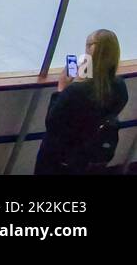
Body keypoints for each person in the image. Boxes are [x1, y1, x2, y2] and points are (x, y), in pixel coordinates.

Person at [35, 30, 127, 174]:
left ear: (91, 51)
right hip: (84, 155)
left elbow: (52, 122)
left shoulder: (76, 91)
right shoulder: (120, 86)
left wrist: (62, 88)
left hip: (58, 157)